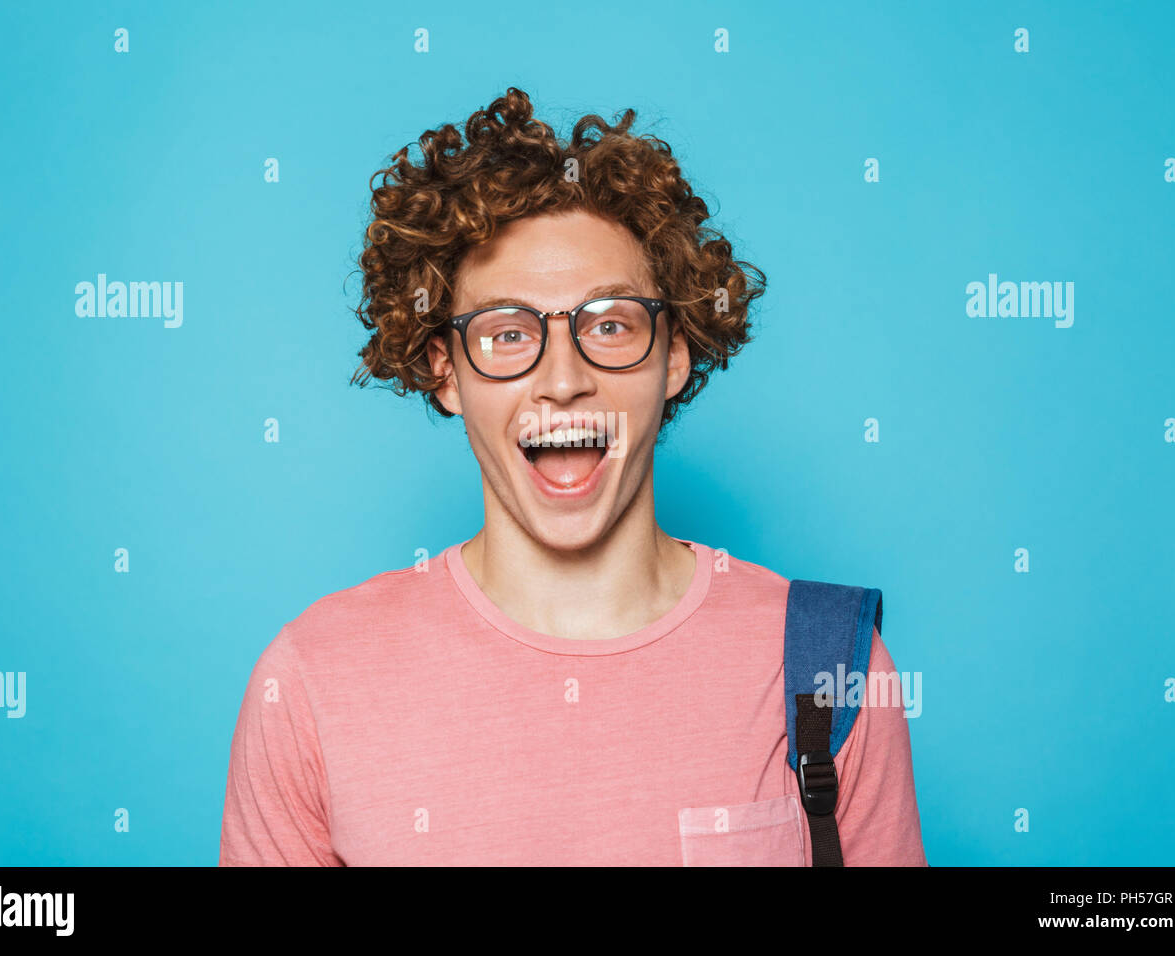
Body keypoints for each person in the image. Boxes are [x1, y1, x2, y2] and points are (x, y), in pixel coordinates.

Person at [218, 87, 927, 866]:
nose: (562, 379)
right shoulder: (313, 680)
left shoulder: (828, 668)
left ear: (675, 357)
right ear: (445, 372)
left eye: (611, 324)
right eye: (508, 332)